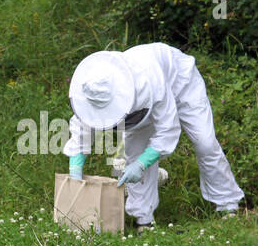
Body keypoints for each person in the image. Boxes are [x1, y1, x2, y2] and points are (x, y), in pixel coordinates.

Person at [64, 43, 244, 229]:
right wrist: (75, 173)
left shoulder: (148, 80)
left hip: (181, 84)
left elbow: (168, 129)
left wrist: (143, 163)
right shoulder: (90, 92)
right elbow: (80, 132)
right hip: (141, 111)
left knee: (204, 143)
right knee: (134, 155)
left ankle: (227, 203)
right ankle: (144, 220)